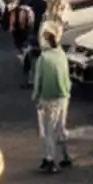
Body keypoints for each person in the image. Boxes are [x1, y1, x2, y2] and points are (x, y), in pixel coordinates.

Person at [31, 24, 72, 173]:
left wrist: (35, 96)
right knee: (60, 127)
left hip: (48, 97)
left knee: (48, 131)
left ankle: (50, 159)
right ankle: (65, 156)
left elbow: (38, 80)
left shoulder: (43, 58)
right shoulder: (62, 55)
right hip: (63, 96)